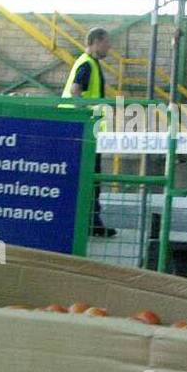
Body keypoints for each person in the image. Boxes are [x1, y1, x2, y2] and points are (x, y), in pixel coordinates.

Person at [61, 27, 116, 237]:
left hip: (83, 130)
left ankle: (90, 221)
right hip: (82, 132)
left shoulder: (89, 63)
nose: (109, 47)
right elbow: (76, 92)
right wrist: (86, 117)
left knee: (89, 178)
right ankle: (92, 222)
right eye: (107, 42)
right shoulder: (87, 64)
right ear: (96, 41)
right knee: (90, 178)